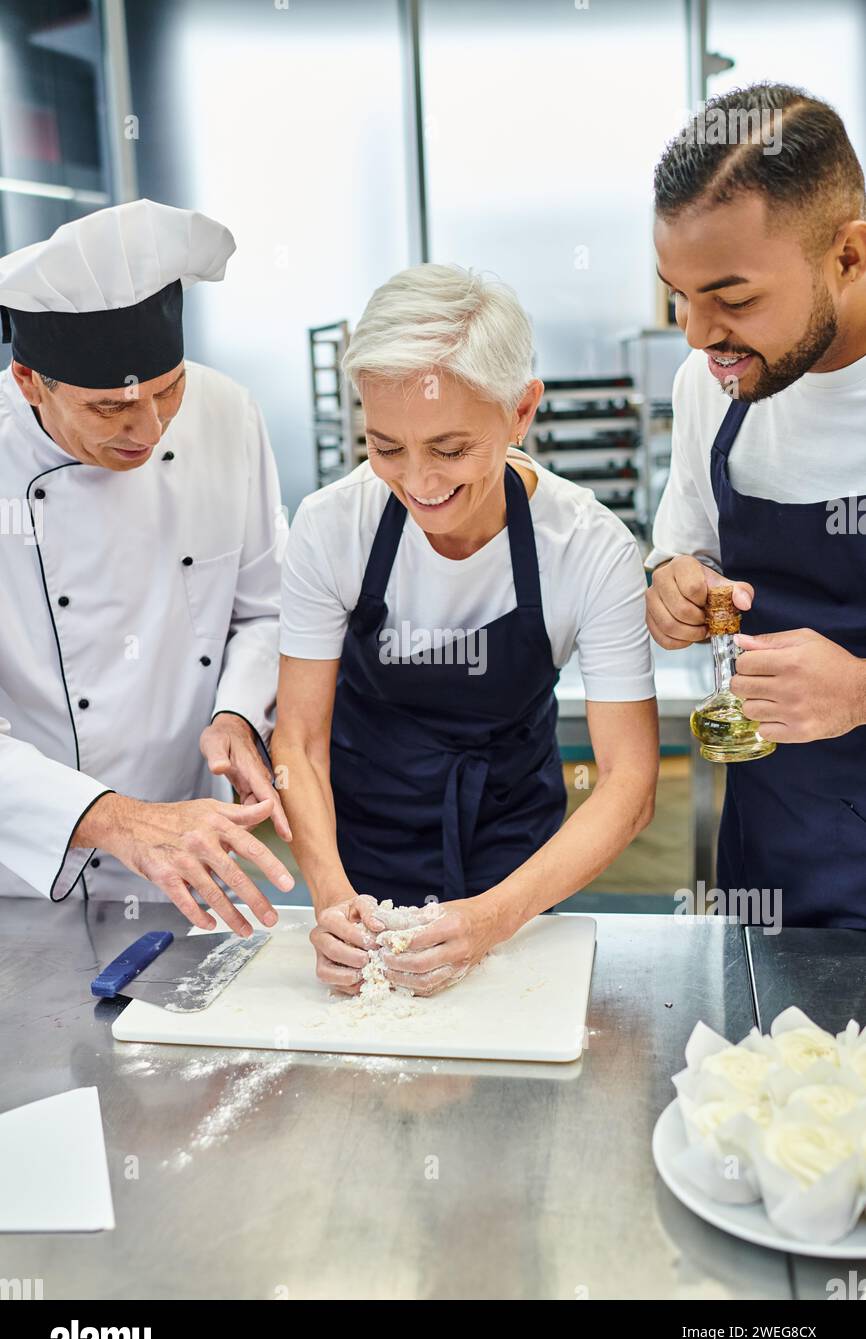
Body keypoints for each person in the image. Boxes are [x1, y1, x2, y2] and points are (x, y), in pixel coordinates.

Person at [273, 264, 658, 995]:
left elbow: (630, 783)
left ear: (521, 413)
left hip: (520, 871)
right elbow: (297, 739)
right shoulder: (331, 527)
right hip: (360, 853)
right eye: (385, 446)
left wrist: (494, 917)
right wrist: (326, 891)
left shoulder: (589, 547)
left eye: (450, 449)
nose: (418, 481)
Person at [0, 199, 293, 935]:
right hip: (22, 877)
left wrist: (237, 711)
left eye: (169, 392)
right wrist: (111, 818)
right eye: (110, 410)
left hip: (191, 864)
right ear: (30, 380)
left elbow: (265, 607)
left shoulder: (227, 412)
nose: (151, 429)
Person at [648, 83, 866, 929]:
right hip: (776, 854)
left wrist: (857, 692)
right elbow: (688, 550)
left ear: (848, 255)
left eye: (733, 300)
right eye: (678, 294)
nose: (698, 336)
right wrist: (675, 581)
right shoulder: (712, 386)